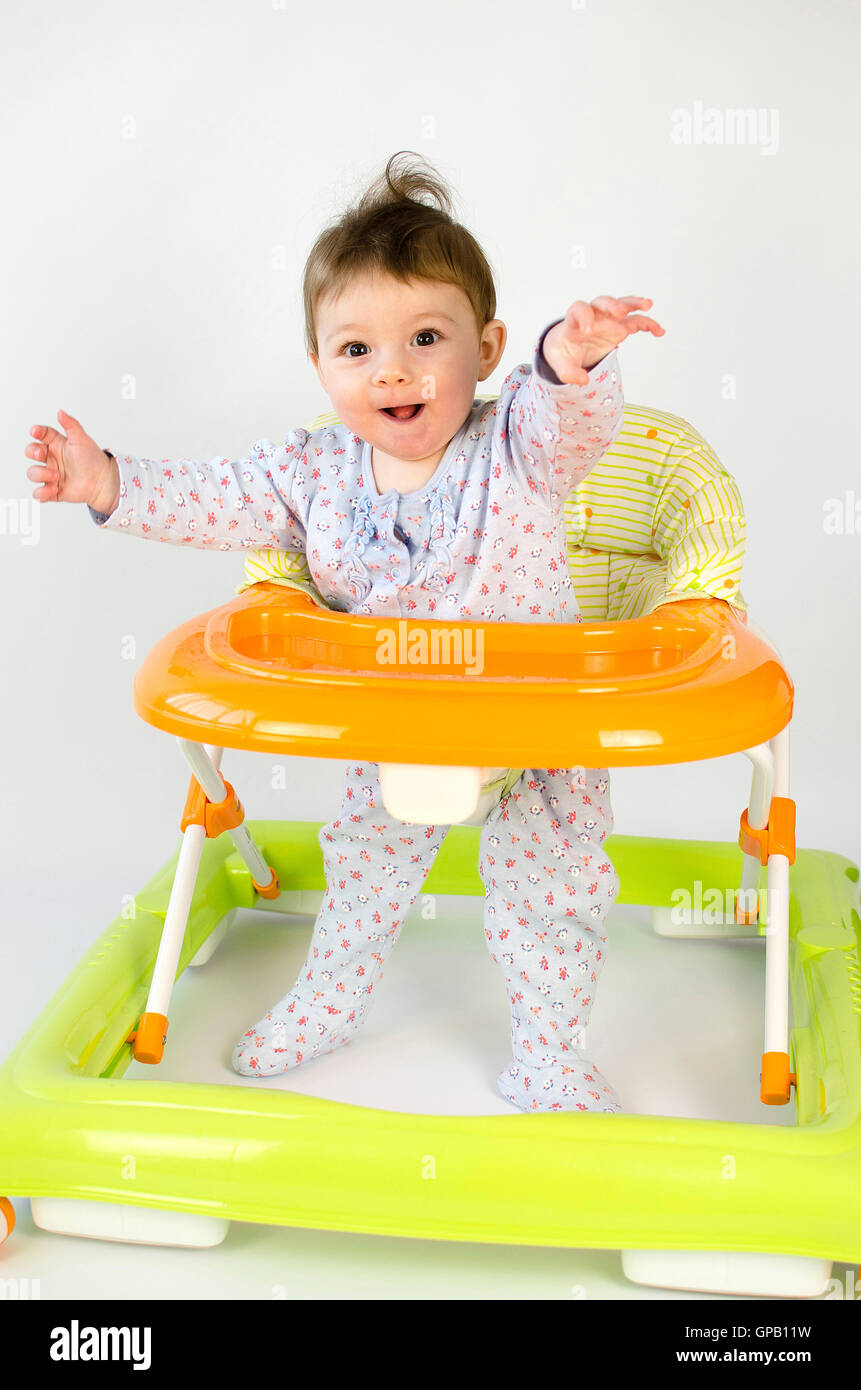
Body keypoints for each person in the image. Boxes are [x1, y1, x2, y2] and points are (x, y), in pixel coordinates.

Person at [24, 151, 665, 1113]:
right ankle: (328, 1002)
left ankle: (550, 1050)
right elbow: (220, 497)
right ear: (320, 365)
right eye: (355, 350)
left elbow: (569, 426)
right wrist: (107, 481)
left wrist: (572, 363)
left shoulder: (515, 446)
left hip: (537, 723)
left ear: (485, 350)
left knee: (553, 888)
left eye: (424, 338)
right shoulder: (313, 469)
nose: (393, 369)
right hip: (391, 721)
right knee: (362, 866)